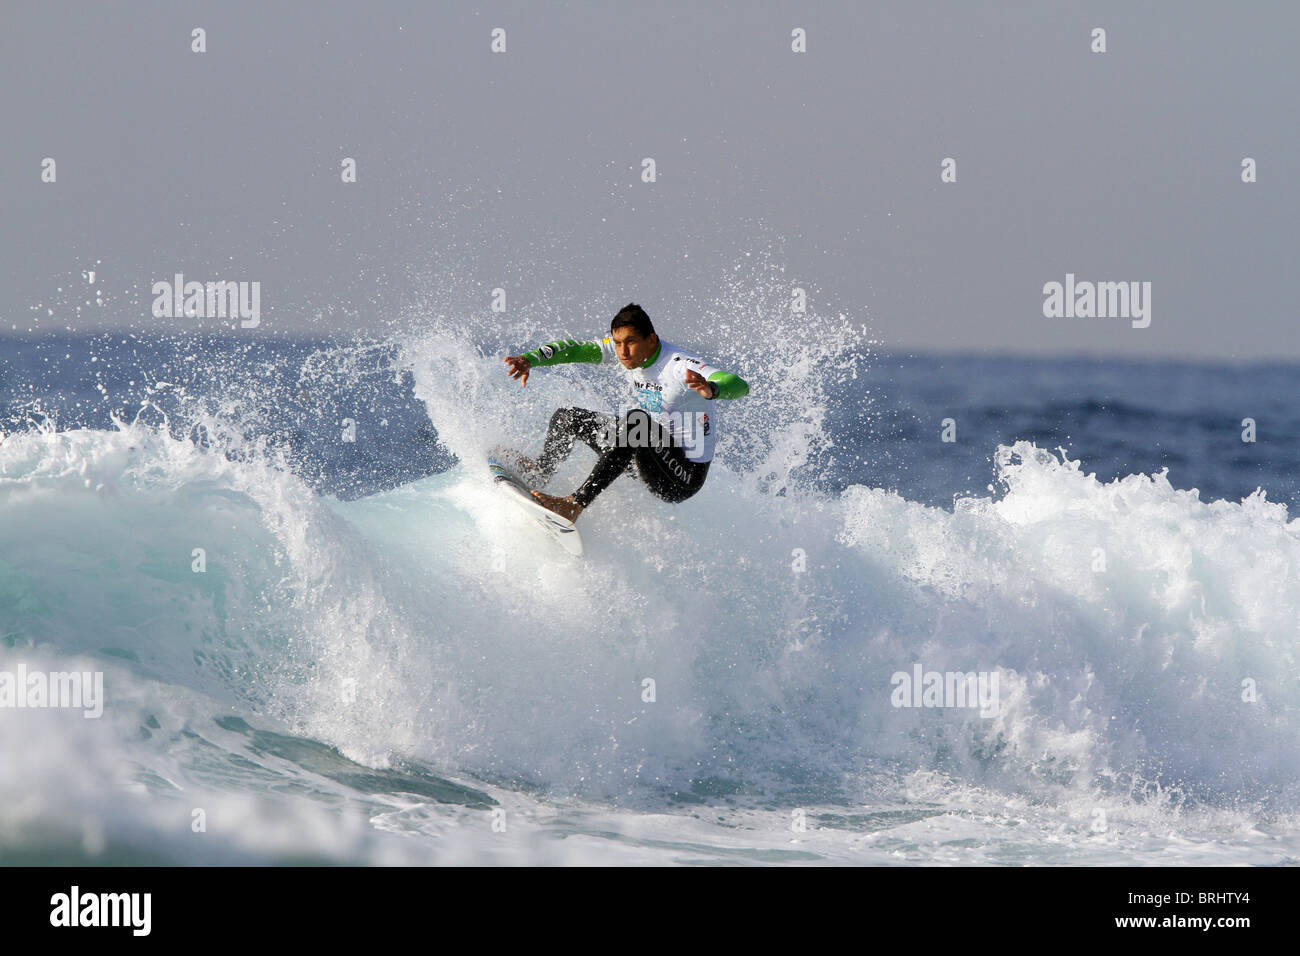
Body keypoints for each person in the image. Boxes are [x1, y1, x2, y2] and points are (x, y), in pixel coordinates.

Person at [502, 303, 749, 522]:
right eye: (618, 343)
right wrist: (530, 359)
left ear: (651, 340)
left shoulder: (679, 366)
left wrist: (712, 388)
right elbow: (574, 349)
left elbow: (739, 384)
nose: (623, 351)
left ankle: (574, 505)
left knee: (636, 422)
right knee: (567, 417)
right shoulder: (621, 351)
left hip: (681, 477)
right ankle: (540, 473)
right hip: (646, 457)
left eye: (630, 342)